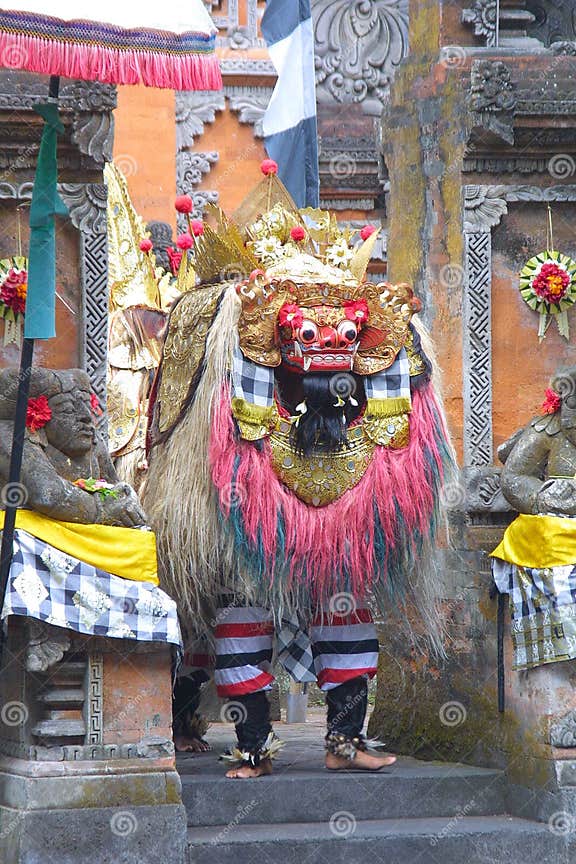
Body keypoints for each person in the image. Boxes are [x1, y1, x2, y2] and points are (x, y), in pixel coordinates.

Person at [143, 165, 454, 776]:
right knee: (243, 610)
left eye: (344, 337)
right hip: (246, 507)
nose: (327, 348)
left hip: (344, 499)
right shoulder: (234, 350)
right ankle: (253, 744)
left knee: (348, 608)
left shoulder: (378, 362)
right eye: (308, 334)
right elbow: (231, 415)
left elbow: (402, 427)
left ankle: (345, 741)